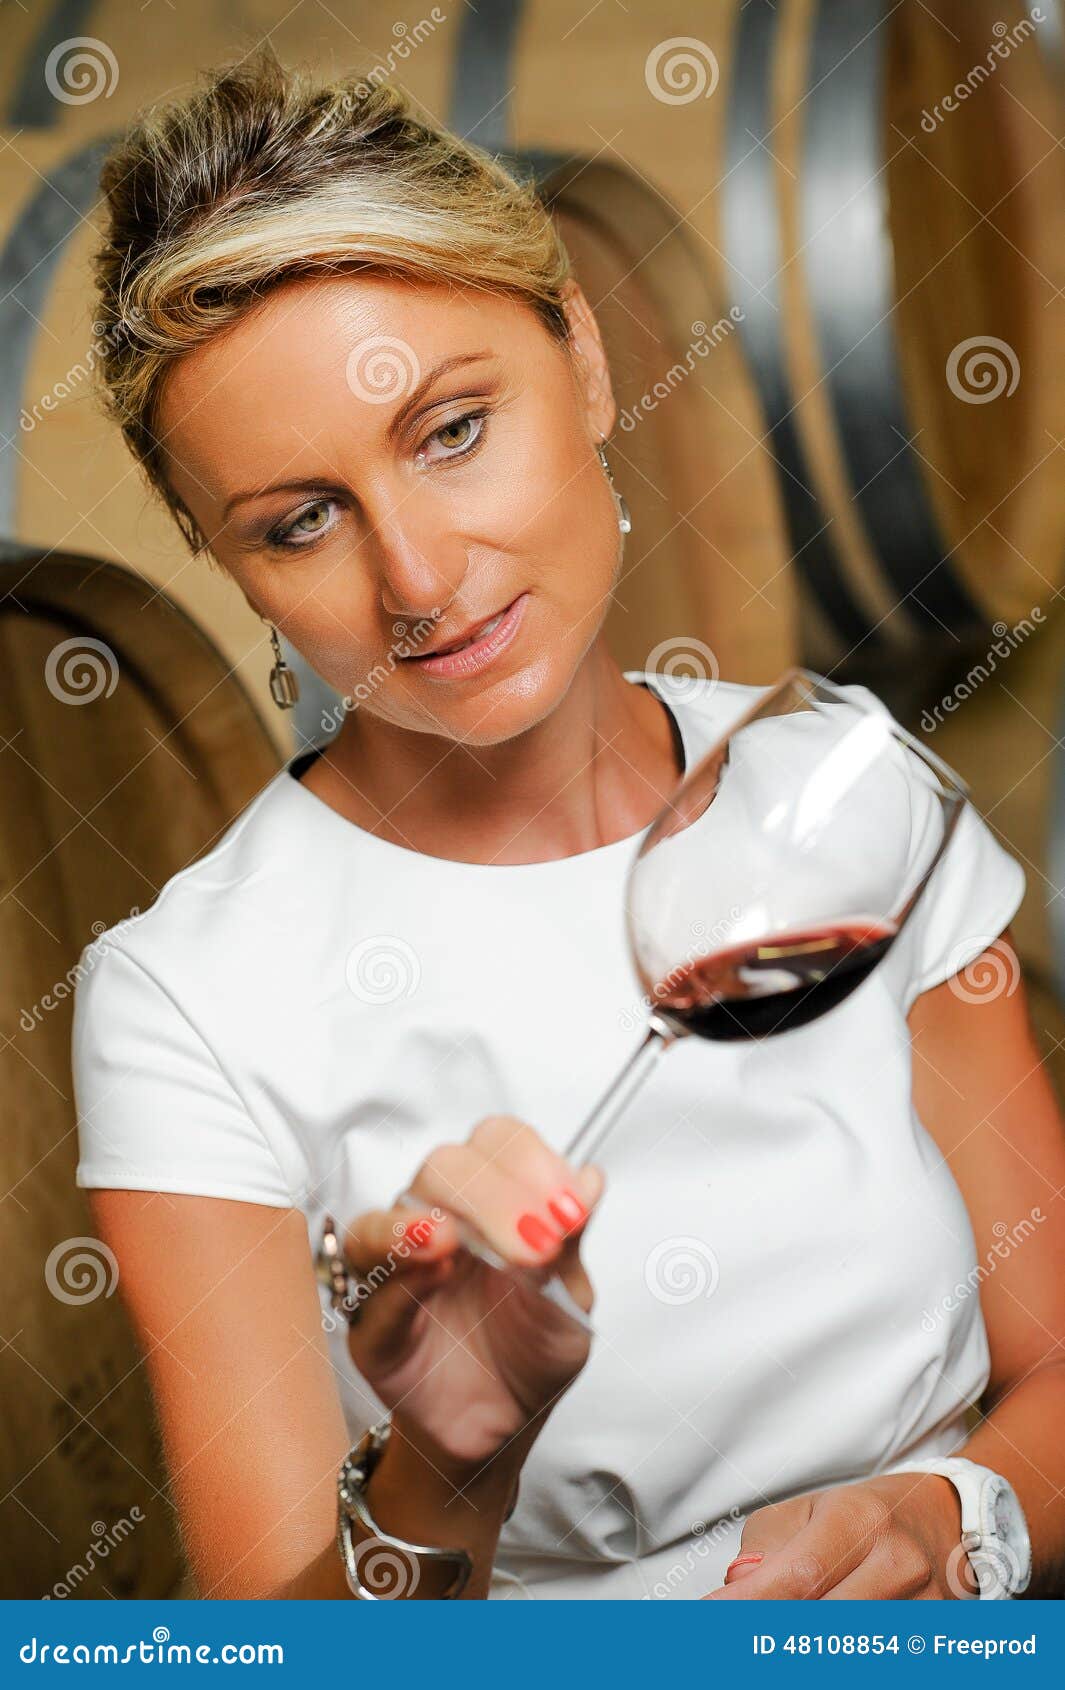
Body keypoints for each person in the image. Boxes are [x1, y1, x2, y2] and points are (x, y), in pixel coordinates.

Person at [71, 46, 1065, 1601]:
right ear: (227, 561)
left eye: (451, 430)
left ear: (585, 364)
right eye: (301, 520)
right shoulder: (181, 1000)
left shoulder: (846, 786)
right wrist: (448, 1469)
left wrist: (949, 1518)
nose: (416, 579)